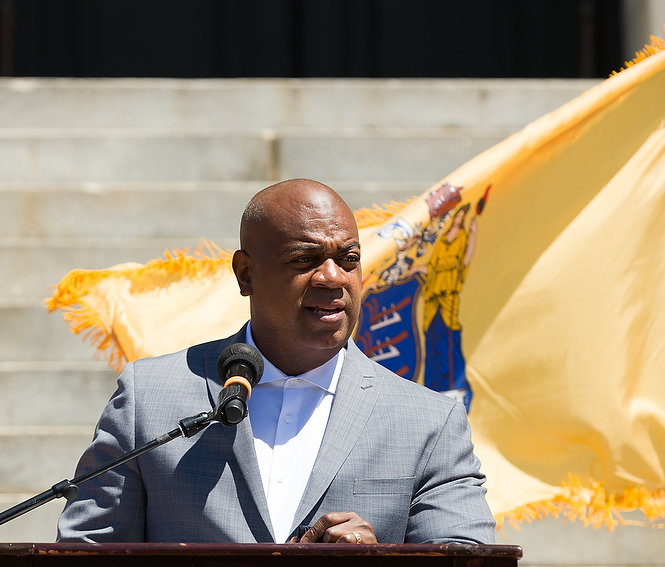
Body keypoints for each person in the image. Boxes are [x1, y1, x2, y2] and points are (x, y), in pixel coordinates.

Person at [57, 178, 494, 545]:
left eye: (349, 259)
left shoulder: (429, 423)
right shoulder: (148, 400)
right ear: (246, 274)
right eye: (304, 259)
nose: (333, 277)